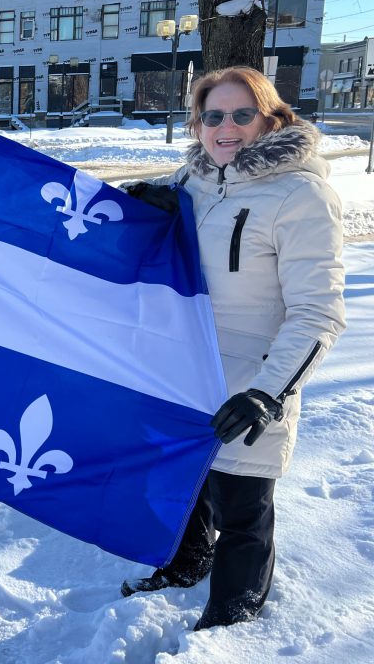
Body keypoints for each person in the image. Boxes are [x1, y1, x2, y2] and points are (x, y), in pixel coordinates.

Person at [122, 66, 346, 630]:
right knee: (185, 483)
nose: (227, 128)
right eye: (213, 116)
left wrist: (267, 394)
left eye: (242, 114)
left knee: (242, 508)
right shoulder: (194, 178)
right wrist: (160, 210)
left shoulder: (301, 194)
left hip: (251, 379)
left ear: (270, 120)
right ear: (198, 125)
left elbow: (318, 312)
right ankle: (185, 565)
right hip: (183, 369)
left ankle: (233, 615)